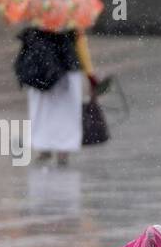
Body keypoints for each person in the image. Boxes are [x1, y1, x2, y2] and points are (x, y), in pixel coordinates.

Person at [15, 28, 99, 166]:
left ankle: (44, 147)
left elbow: (27, 46)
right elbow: (81, 46)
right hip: (67, 68)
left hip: (40, 70)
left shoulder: (37, 16)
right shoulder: (72, 20)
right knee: (66, 112)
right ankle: (62, 150)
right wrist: (90, 74)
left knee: (42, 111)